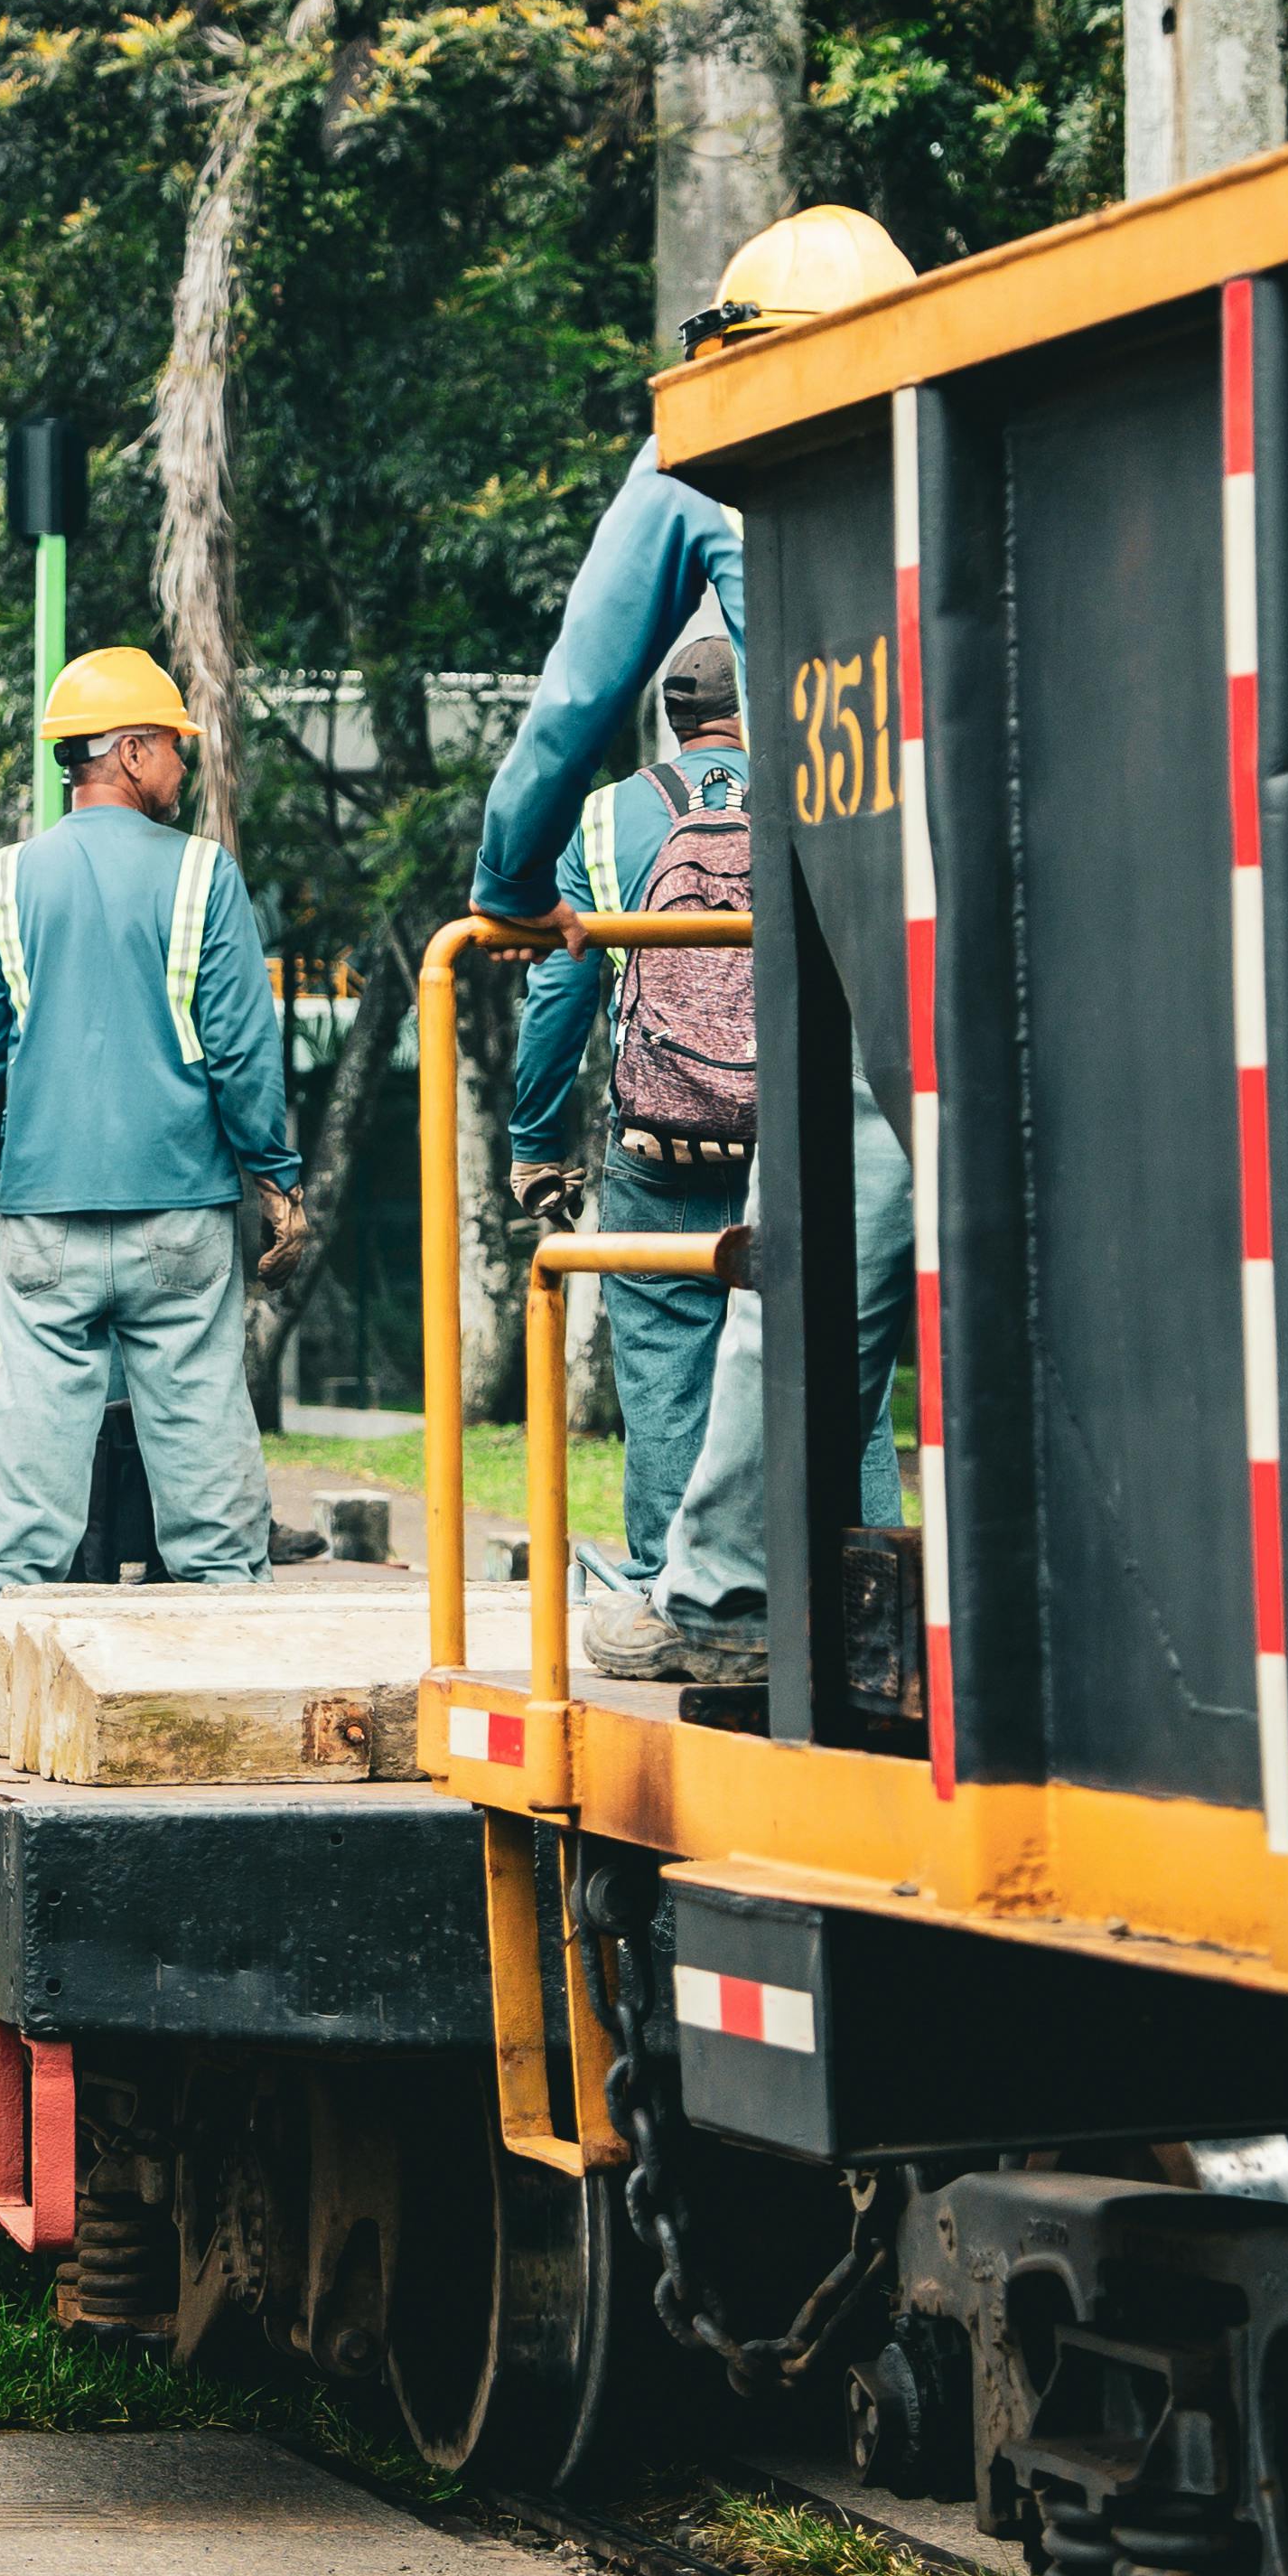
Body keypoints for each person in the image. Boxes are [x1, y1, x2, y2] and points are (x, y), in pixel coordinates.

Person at [468, 204, 921, 1695]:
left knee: (789, 1274)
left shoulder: (702, 455)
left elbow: (559, 712)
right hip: (980, 900)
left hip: (844, 918)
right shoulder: (957, 415)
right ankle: (857, 1578)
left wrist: (507, 884)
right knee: (880, 1269)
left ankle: (723, 1582)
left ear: (727, 347)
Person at [0, 650, 314, 1597]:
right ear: (133, 751)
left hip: (43, 1214)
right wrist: (276, 1178)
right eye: (175, 750)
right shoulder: (201, 875)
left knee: (30, 1424)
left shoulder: (9, 878)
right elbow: (238, 1048)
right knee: (199, 1421)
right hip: (178, 1215)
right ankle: (226, 1622)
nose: (183, 771)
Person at [507, 628, 757, 1568]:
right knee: (829, 1363)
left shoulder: (606, 820)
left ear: (671, 719)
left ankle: (670, 1586)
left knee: (663, 1370)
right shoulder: (821, 798)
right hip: (800, 1148)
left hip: (663, 1148)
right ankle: (862, 1599)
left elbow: (558, 996)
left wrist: (532, 1144)